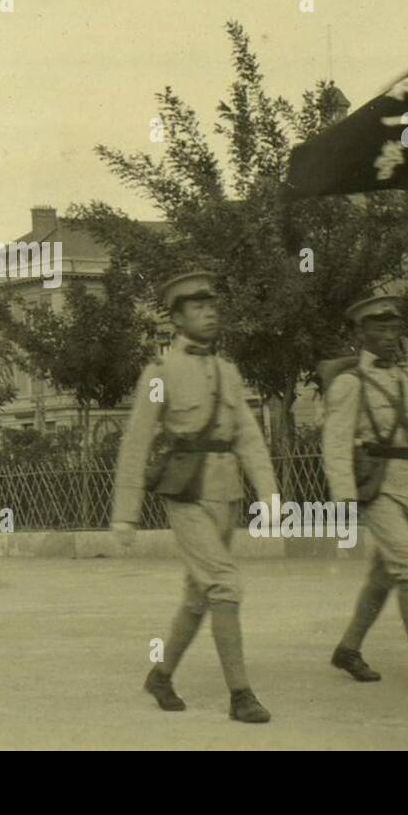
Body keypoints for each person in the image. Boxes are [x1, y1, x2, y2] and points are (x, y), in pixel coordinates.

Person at [111, 270, 278, 722]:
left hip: (226, 494)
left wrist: (269, 494)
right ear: (177, 318)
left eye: (212, 306)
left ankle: (161, 675)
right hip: (185, 494)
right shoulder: (160, 373)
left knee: (198, 594)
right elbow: (136, 443)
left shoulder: (227, 371)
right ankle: (240, 694)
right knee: (225, 585)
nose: (209, 313)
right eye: (197, 307)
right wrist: (125, 514)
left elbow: (248, 436)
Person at [323, 294, 408, 694]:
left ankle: (348, 649)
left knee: (384, 573)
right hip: (375, 486)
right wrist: (345, 501)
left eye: (393, 328)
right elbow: (335, 444)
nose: (388, 336)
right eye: (379, 328)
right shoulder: (350, 384)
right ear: (361, 333)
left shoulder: (407, 379)